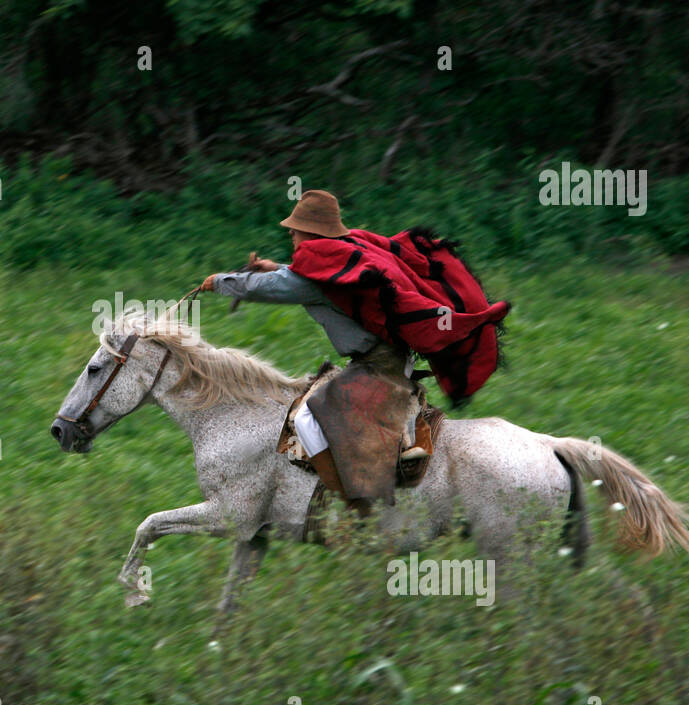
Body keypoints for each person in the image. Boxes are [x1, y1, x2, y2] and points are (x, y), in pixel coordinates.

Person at [201, 189, 510, 522]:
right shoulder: (342, 254)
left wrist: (219, 282)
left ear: (311, 230)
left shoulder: (317, 269)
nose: (290, 232)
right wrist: (275, 266)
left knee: (305, 418)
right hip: (384, 356)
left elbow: (277, 287)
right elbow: (302, 277)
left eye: (295, 228)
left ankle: (354, 506)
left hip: (378, 364)